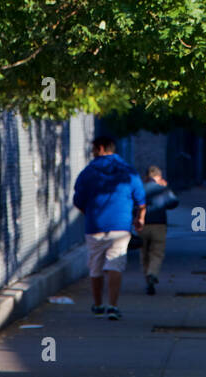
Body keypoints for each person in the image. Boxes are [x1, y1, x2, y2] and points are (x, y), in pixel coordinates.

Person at [72, 135, 145, 320]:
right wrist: (140, 218)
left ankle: (97, 305)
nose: (92, 153)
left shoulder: (88, 172)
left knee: (95, 266)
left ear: (102, 148)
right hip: (120, 226)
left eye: (94, 149)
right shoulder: (128, 171)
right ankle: (113, 306)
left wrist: (90, 213)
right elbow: (141, 199)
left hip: (95, 225)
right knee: (115, 265)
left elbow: (78, 200)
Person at [136, 165, 179, 294]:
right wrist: (166, 188)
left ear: (146, 177)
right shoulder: (162, 189)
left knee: (144, 253)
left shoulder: (139, 189)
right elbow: (174, 202)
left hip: (142, 224)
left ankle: (147, 277)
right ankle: (152, 273)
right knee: (157, 252)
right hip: (159, 224)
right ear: (159, 177)